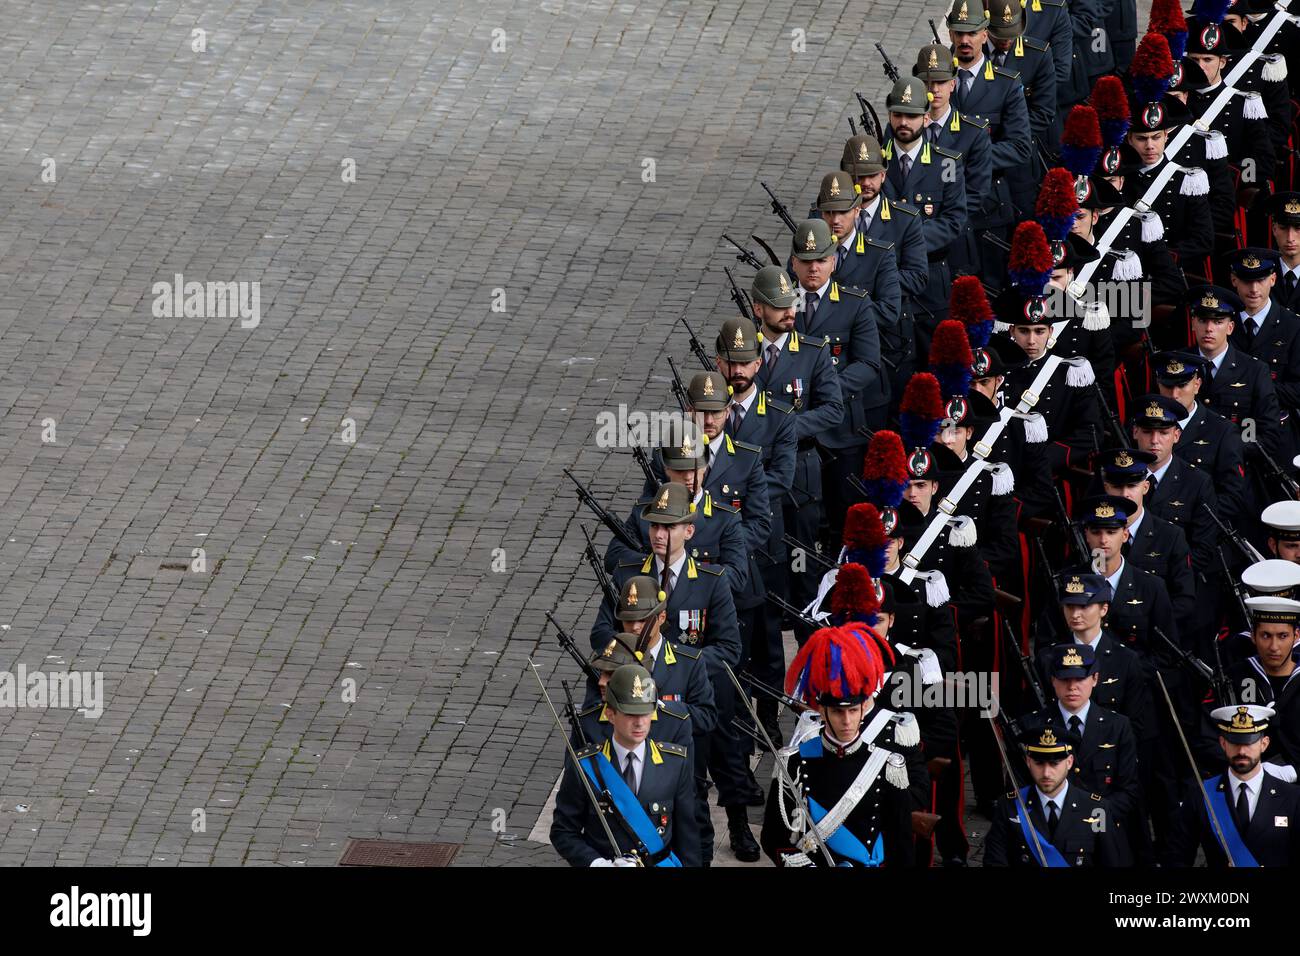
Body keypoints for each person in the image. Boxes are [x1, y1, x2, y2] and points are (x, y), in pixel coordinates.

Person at [760, 624, 918, 866]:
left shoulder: (887, 766)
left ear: (863, 708)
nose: (846, 721)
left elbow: (901, 844)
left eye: (852, 711)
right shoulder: (794, 763)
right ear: (822, 711)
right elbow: (774, 837)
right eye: (837, 712)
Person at [751, 263, 843, 644]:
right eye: (779, 306)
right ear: (759, 310)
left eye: (791, 304)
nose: (790, 312)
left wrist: (785, 429)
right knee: (767, 565)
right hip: (758, 473)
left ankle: (810, 651)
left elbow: (833, 408)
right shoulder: (742, 355)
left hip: (801, 476)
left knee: (803, 564)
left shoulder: (812, 352)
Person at [715, 315, 796, 744]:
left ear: (759, 363)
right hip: (716, 545)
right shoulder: (704, 414)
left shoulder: (778, 416)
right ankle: (735, 714)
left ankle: (768, 715)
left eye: (746, 362)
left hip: (764, 543)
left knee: (767, 636)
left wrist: (742, 491)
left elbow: (782, 477)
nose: (739, 370)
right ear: (718, 362)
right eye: (731, 362)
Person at [550, 663, 700, 867]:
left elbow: (688, 838)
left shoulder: (675, 763)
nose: (639, 723)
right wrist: (597, 864)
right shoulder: (584, 766)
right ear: (610, 714)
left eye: (645, 713)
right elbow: (563, 831)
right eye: (630, 714)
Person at [1024, 643, 1143, 833]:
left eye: (1080, 678)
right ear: (1053, 680)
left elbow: (1128, 791)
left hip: (1102, 827)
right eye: (1064, 679)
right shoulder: (1033, 726)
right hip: (1049, 828)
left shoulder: (1118, 726)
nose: (1072, 687)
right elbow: (1023, 790)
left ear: (1095, 679)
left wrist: (1089, 822)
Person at [1165, 704, 1300, 867]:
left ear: (1264, 744)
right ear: (1223, 743)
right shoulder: (1201, 796)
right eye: (1235, 742)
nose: (1242, 751)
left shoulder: (1292, 797)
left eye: (1249, 742)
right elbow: (1176, 857)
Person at [984, 724, 1133, 866]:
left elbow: (1110, 862)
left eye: (1054, 763)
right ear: (1028, 762)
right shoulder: (1009, 806)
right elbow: (995, 861)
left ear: (1069, 762)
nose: (1046, 773)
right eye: (1039, 763)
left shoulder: (1097, 809)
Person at [1129, 394, 1220, 579]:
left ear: (1176, 435)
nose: (1155, 440)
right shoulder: (1115, 478)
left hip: (1173, 586)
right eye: (1147, 431)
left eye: (1163, 433)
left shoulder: (1197, 483)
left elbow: (1202, 549)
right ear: (1135, 432)